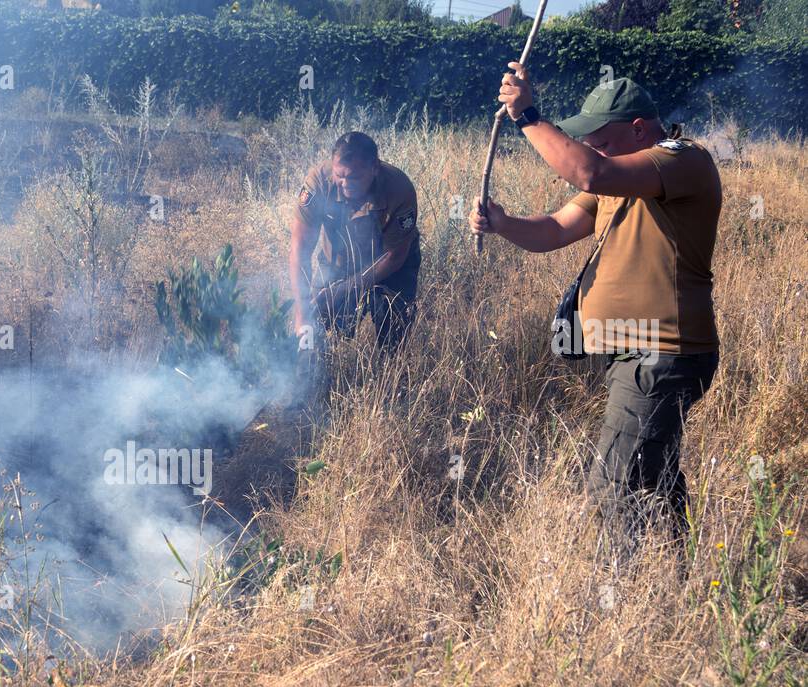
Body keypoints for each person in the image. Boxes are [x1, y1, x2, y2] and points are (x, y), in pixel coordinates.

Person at [469, 72, 722, 553]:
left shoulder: (682, 160)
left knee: (614, 483)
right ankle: (680, 583)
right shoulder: (617, 175)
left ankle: (623, 602)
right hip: (632, 353)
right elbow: (554, 231)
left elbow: (590, 172)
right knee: (654, 476)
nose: (596, 150)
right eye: (591, 143)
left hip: (662, 351)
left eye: (603, 141)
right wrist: (503, 223)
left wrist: (527, 117)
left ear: (641, 129)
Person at [289, 131, 421, 356]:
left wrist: (345, 289)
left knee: (393, 334)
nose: (345, 184)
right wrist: (302, 314)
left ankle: (393, 382)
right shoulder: (317, 184)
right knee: (315, 322)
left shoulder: (399, 188)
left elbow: (395, 256)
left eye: (355, 178)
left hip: (391, 266)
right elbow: (300, 249)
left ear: (374, 168)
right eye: (340, 175)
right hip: (338, 262)